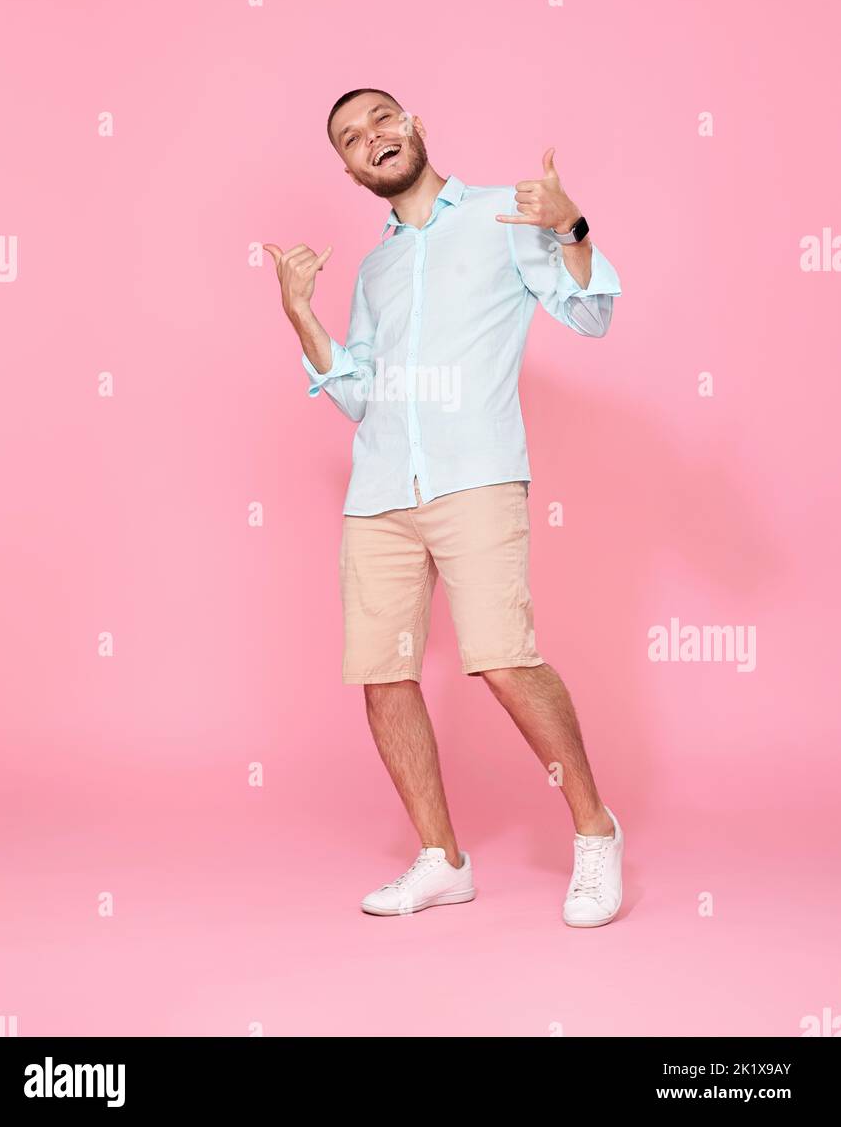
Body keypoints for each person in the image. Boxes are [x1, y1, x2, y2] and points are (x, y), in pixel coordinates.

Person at [264, 88, 624, 926]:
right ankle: (441, 861)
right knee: (383, 677)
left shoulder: (507, 214)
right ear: (350, 170)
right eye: (351, 139)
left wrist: (570, 228)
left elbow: (593, 314)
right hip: (381, 491)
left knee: (503, 660)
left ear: (415, 125)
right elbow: (359, 395)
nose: (372, 139)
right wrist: (299, 315)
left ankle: (595, 833)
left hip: (475, 477)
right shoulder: (376, 268)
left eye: (382, 119)